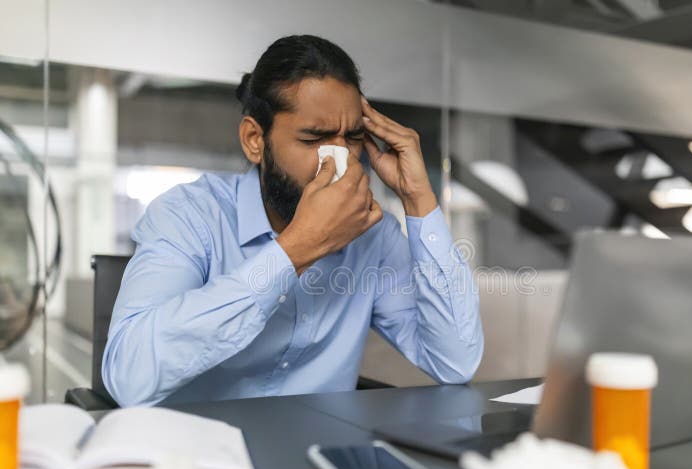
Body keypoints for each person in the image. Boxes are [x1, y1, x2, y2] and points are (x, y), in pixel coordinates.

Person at [102, 35, 484, 406]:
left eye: (352, 137)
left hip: (317, 458)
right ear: (255, 140)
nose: (340, 160)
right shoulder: (190, 215)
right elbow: (128, 377)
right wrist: (296, 250)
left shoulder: (372, 235)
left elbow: (455, 361)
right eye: (314, 138)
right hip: (197, 459)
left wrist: (419, 200)